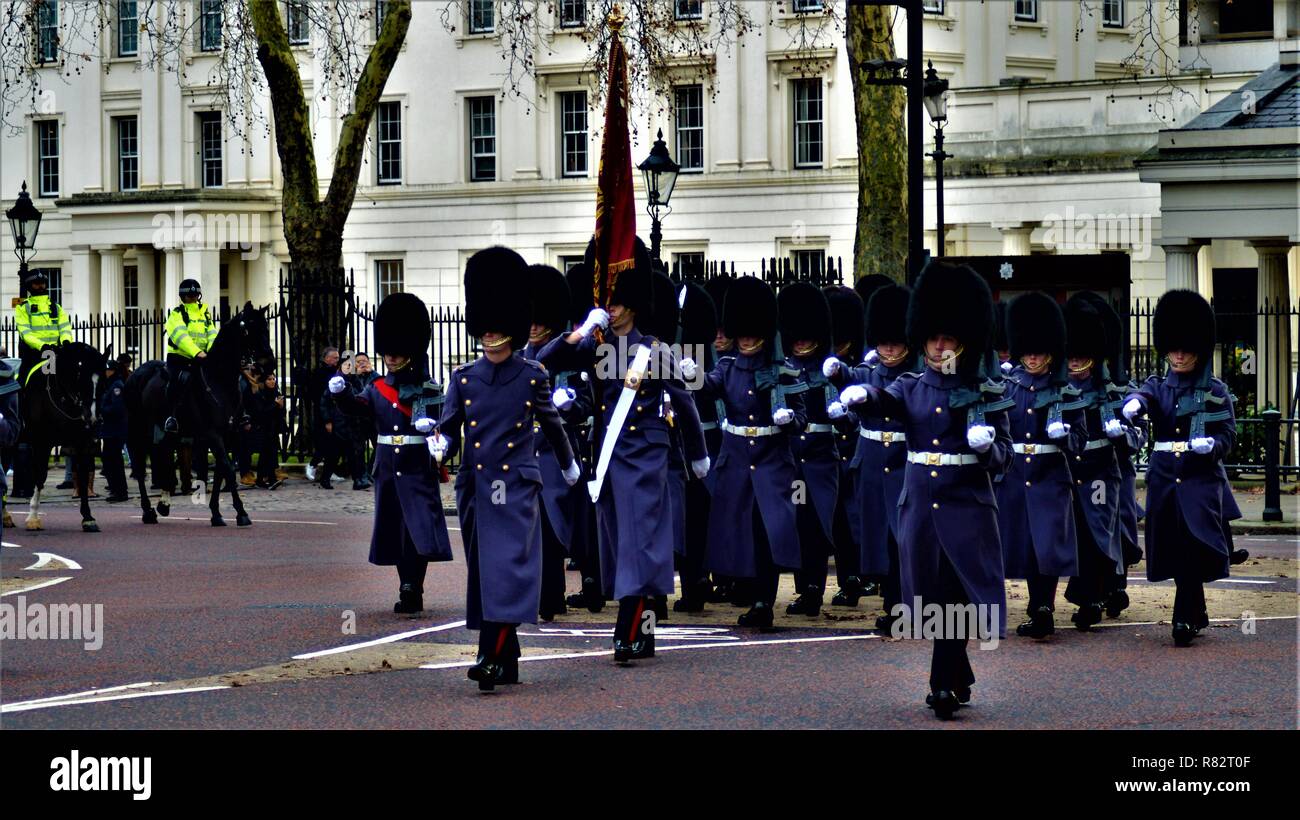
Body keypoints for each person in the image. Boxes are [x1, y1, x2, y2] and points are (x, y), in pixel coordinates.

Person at [839, 262, 1012, 719]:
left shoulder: (985, 390)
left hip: (966, 508)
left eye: (948, 338)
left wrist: (988, 446)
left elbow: (1005, 458)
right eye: (933, 337)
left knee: (956, 593)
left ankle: (941, 685)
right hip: (920, 506)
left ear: (964, 340)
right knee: (934, 595)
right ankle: (958, 674)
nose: (939, 347)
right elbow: (888, 402)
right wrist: (862, 397)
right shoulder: (911, 385)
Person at [540, 238, 708, 663]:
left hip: (646, 457)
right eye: (607, 303)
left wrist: (697, 455)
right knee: (619, 545)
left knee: (640, 543)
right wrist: (579, 328)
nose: (611, 309)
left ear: (633, 306)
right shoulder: (594, 346)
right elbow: (544, 362)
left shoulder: (654, 351)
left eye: (616, 303)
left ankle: (627, 628)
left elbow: (685, 402)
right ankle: (643, 628)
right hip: (608, 459)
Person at [431, 247, 579, 691]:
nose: (492, 337)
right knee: (485, 570)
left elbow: (552, 426)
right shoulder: (463, 377)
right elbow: (449, 424)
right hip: (476, 485)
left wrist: (569, 467)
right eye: (487, 329)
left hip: (515, 485)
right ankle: (506, 655)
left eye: (499, 329)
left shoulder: (532, 375)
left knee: (506, 568)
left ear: (511, 331)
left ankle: (488, 655)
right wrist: (438, 442)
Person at [683, 275, 805, 632]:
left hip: (771, 460)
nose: (747, 339)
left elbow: (800, 416)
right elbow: (709, 388)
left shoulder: (783, 369)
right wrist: (694, 377)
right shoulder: (728, 365)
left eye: (753, 333)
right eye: (742, 333)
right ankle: (751, 596)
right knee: (740, 531)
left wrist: (788, 419)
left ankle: (764, 601)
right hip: (737, 459)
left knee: (769, 531)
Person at [1122, 289, 1238, 647]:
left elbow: (1227, 435)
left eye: (1185, 349)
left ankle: (1183, 618)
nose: (1179, 355)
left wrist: (1212, 446)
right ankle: (1195, 611)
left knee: (1192, 545)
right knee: (1174, 547)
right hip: (1164, 478)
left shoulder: (1215, 390)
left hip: (1199, 478)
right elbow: (1146, 396)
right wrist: (1133, 405)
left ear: (1198, 349)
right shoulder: (1159, 386)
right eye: (1173, 348)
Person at [329, 292, 452, 615]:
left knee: (417, 530)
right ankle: (405, 585)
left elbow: (441, 427)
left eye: (396, 353)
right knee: (395, 528)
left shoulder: (428, 388)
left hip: (416, 466)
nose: (390, 358)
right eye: (387, 353)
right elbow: (360, 409)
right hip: (387, 465)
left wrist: (433, 433)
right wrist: (341, 396)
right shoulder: (377, 387)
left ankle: (414, 586)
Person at [995, 292, 1088, 638]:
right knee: (1023, 546)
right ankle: (1036, 609)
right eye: (1027, 351)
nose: (1032, 358)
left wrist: (1063, 435)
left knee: (1047, 546)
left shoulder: (1066, 392)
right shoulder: (1007, 387)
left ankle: (1044, 607)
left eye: (1039, 351)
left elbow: (1079, 441)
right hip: (1017, 475)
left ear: (1051, 352)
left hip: (1050, 477)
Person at [827, 282, 918, 630]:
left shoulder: (915, 376)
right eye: (884, 341)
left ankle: (904, 605)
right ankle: (892, 601)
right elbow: (853, 398)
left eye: (895, 342)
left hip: (903, 459)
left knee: (903, 537)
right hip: (869, 460)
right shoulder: (867, 370)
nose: (889, 348)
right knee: (876, 536)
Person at [522, 263, 591, 622]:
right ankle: (536, 594)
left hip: (554, 452)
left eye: (539, 320)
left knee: (552, 527)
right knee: (526, 528)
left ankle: (553, 595)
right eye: (529, 320)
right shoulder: (517, 357)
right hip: (522, 452)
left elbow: (585, 401)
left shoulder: (569, 355)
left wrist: (570, 406)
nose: (533, 327)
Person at [1061, 295, 1128, 628]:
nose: (1075, 364)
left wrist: (1121, 433)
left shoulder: (1110, 392)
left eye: (1081, 358)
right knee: (1078, 535)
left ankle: (1098, 593)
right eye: (1071, 358)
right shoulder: (1058, 390)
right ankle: (1097, 593)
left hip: (1101, 468)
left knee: (1098, 532)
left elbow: (1136, 439)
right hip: (1069, 470)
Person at [776, 283, 838, 618]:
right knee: (797, 523)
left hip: (820, 458)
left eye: (806, 336)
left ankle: (814, 587)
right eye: (795, 336)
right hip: (789, 458)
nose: (800, 342)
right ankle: (804, 588)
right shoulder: (782, 368)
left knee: (816, 524)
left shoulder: (827, 369)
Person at [673, 280, 721, 612]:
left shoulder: (708, 357)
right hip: (674, 444)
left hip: (700, 442)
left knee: (696, 516)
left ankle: (696, 582)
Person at [160, 279, 216, 434]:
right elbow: (181, 337)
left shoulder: (205, 314)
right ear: (183, 298)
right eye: (190, 296)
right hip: (180, 359)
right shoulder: (176, 315)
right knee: (178, 381)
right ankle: (171, 418)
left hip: (202, 359)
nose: (193, 298)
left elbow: (212, 334)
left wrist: (211, 353)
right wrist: (197, 352)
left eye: (195, 295)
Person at [14, 268, 73, 383]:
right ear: (30, 286)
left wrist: (66, 341)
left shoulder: (56, 306)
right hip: (35, 353)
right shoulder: (23, 307)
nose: (40, 286)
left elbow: (65, 327)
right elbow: (26, 333)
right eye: (37, 284)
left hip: (57, 351)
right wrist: (42, 346)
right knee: (22, 381)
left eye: (42, 283)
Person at [97, 357, 129, 503]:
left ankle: (120, 491)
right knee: (109, 461)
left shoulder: (117, 386)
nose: (105, 372)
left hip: (115, 430)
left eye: (108, 369)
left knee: (114, 461)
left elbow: (117, 408)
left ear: (113, 371)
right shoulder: (110, 384)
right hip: (110, 430)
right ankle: (115, 489)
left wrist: (102, 410)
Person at [308, 347, 341, 483]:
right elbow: (318, 396)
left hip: (337, 412)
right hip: (323, 412)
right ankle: (312, 465)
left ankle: (329, 470)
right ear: (326, 358)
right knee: (323, 443)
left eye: (338, 358)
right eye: (335, 357)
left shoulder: (338, 372)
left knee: (334, 443)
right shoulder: (320, 373)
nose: (337, 360)